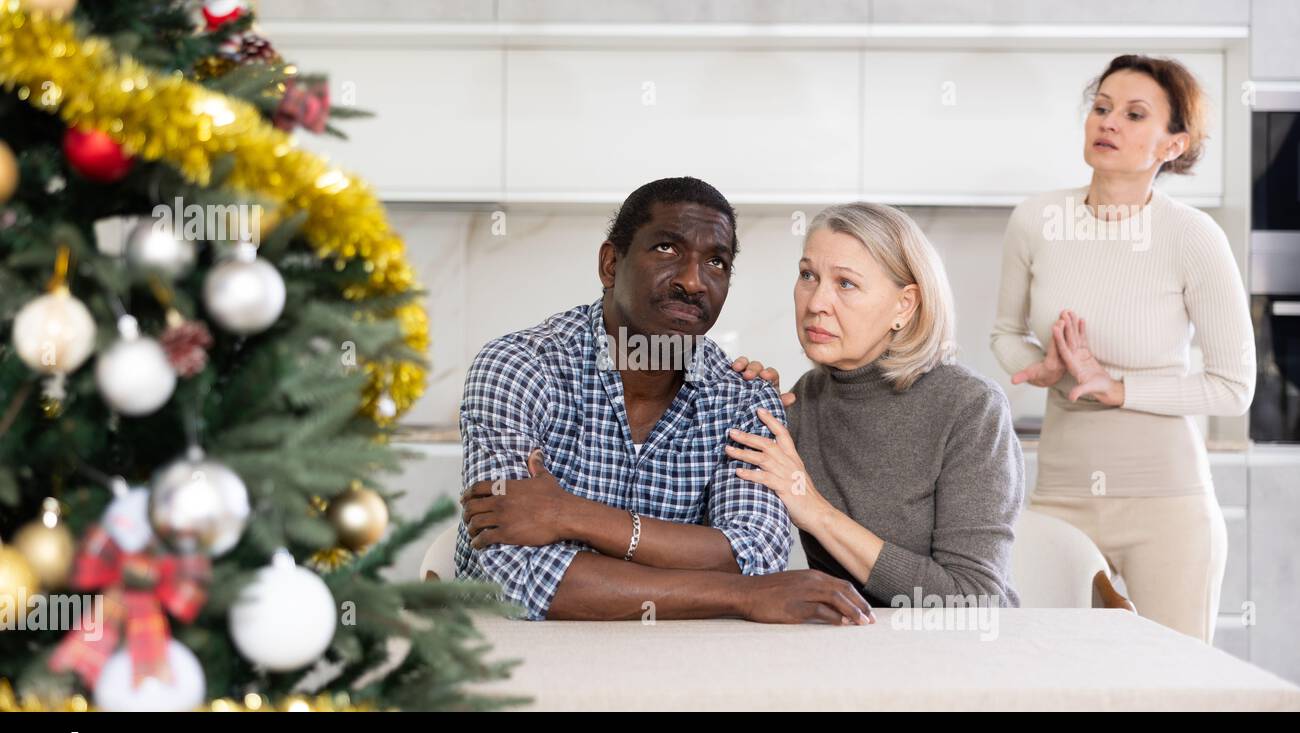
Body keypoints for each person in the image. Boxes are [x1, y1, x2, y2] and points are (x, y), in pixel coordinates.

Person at [456, 176, 875, 625]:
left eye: (716, 262)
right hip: (510, 664)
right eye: (667, 249)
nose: (694, 282)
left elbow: (752, 552)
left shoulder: (744, 396)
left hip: (680, 665)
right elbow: (519, 577)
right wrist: (741, 594)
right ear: (610, 265)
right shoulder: (521, 368)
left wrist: (570, 516)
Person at [990, 55, 1254, 642]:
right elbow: (1004, 334)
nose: (1108, 122)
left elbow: (1234, 387)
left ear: (1172, 145)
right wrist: (1042, 368)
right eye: (1102, 107)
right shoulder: (1036, 221)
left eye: (1135, 114)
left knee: (1175, 694)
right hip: (1060, 497)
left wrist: (1117, 388)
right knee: (1052, 675)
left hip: (1169, 505)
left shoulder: (1194, 236)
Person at [729, 202, 1022, 609]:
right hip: (851, 644)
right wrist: (734, 405)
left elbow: (976, 600)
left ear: (904, 306)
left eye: (846, 284)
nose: (816, 303)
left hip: (956, 656)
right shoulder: (804, 399)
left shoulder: (970, 408)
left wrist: (817, 511)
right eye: (808, 275)